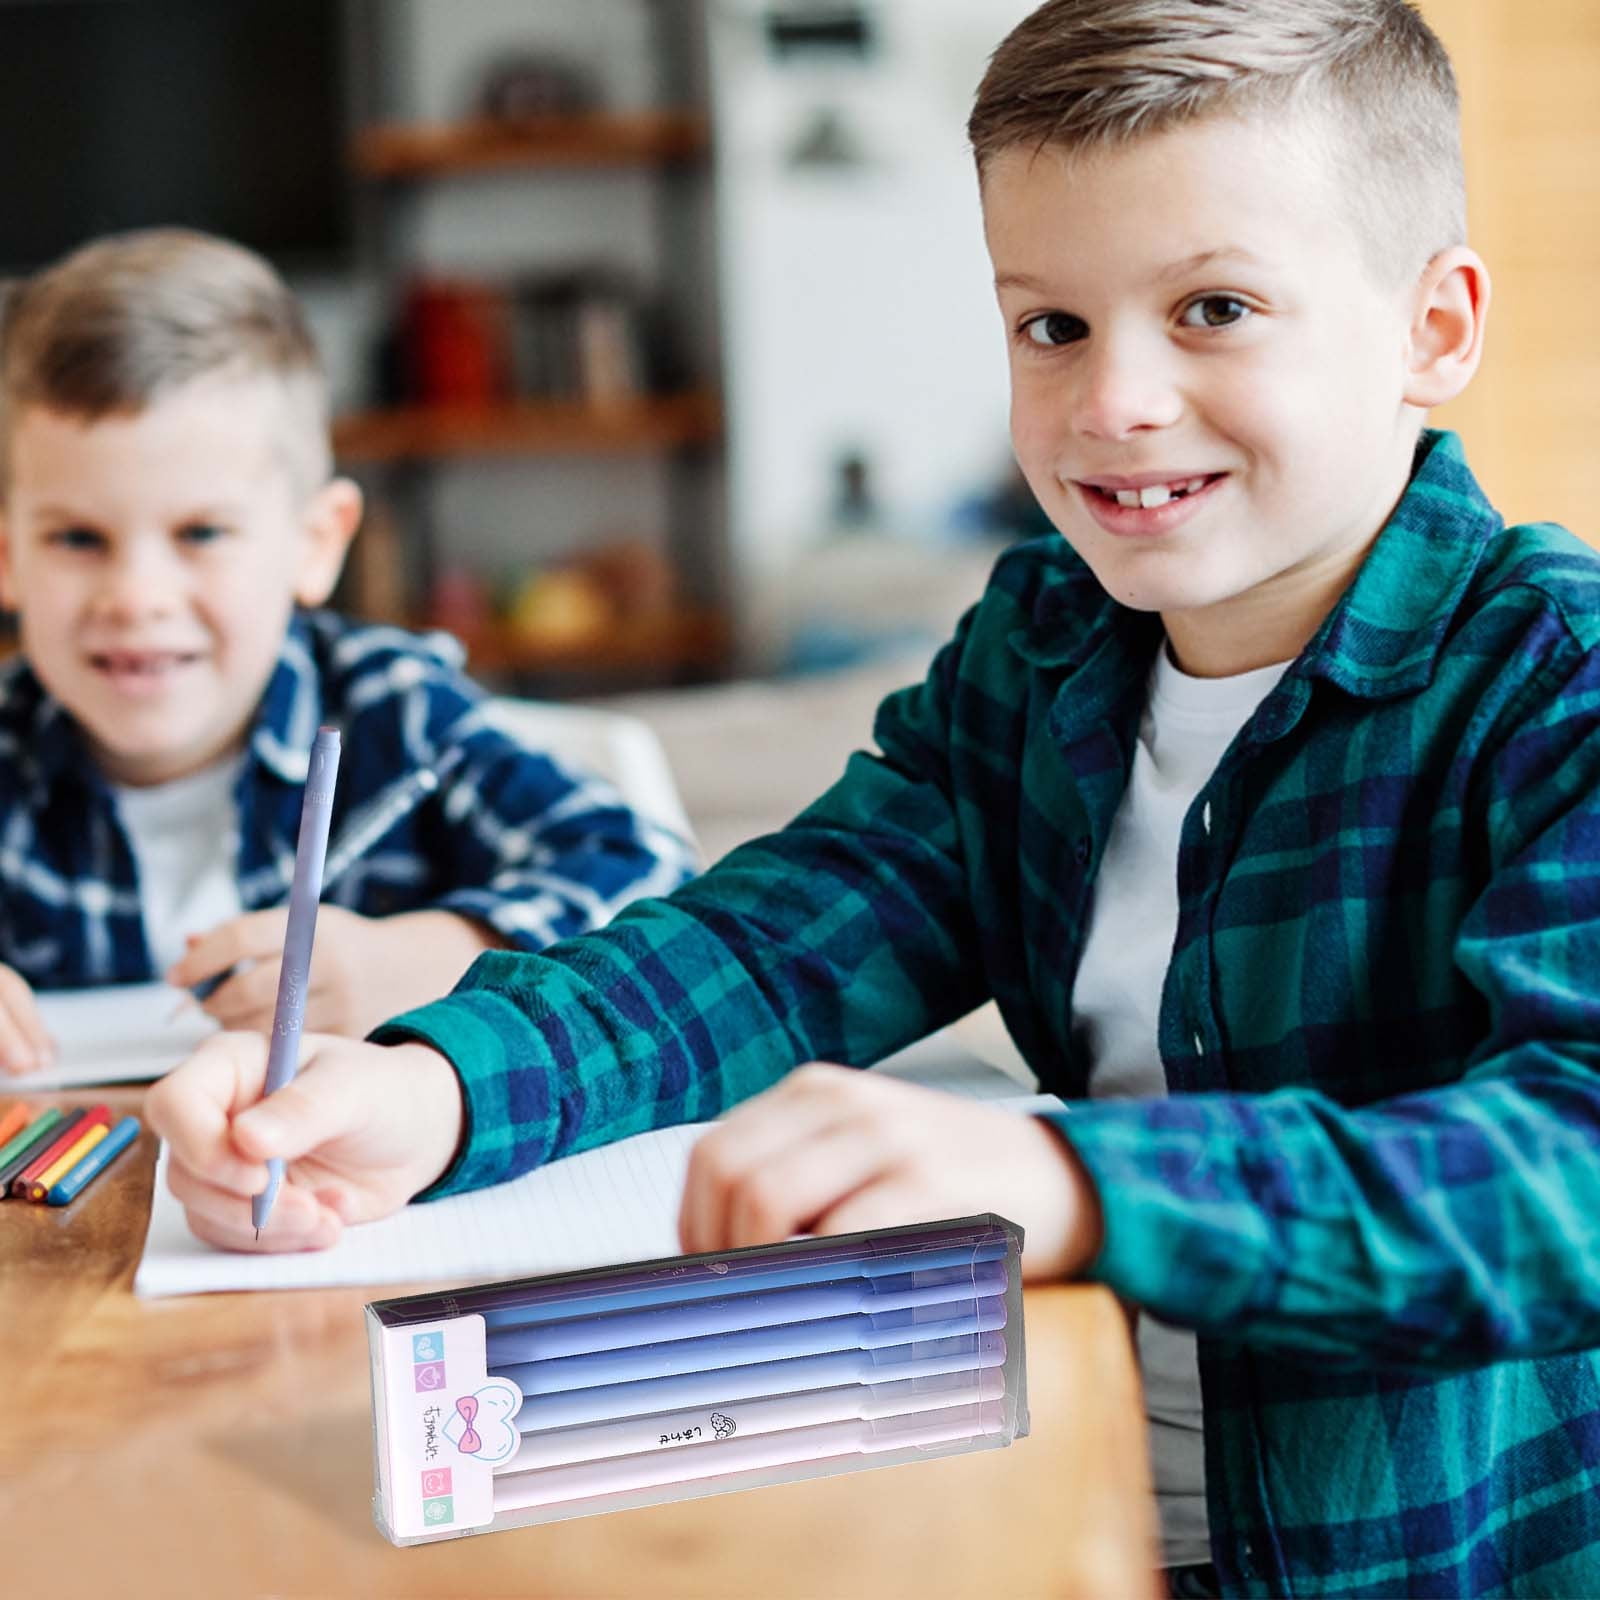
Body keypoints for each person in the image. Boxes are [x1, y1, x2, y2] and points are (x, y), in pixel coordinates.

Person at [149, 3, 1600, 1593]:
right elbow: (778, 942)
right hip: (1054, 1471)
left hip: (1383, 1555)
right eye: (1051, 325)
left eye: (1215, 309)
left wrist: (1069, 1182)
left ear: (1435, 329)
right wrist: (434, 1092)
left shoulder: (1556, 681)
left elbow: (1562, 1178)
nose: (1113, 400)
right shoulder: (1042, 645)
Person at [0, 228, 693, 1072]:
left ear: (316, 543)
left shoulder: (395, 711)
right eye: (77, 538)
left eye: (201, 532)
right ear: (8, 557)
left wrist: (429, 955)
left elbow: (656, 878)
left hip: (358, 1178)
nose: (137, 598)